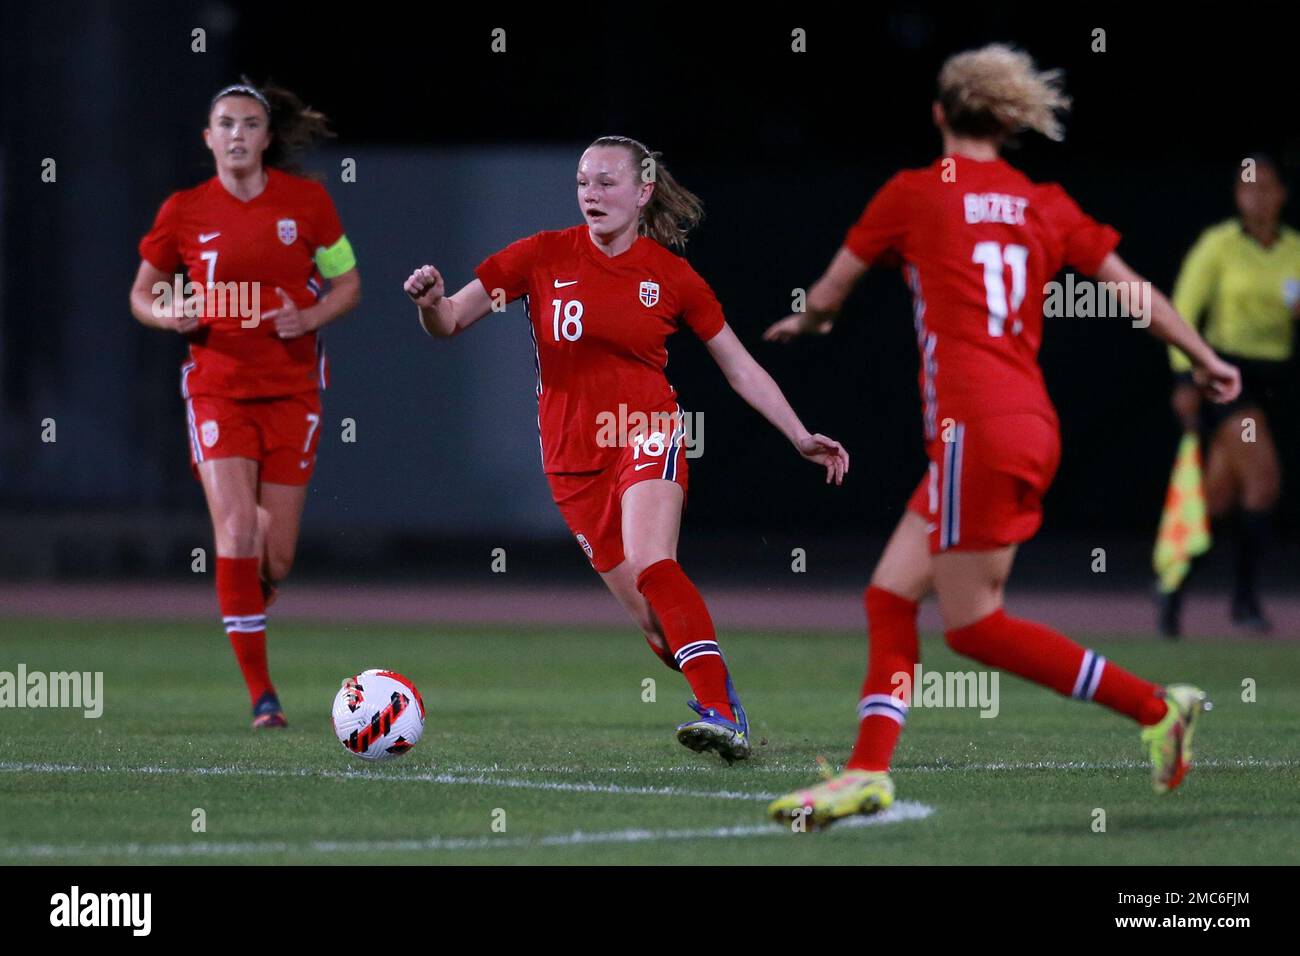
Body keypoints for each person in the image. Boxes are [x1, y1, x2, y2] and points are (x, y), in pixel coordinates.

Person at [762, 45, 1241, 827]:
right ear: (1009, 121)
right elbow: (1135, 294)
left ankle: (1158, 707)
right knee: (889, 595)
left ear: (941, 114)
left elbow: (832, 291)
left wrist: (806, 319)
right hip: (1023, 421)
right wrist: (1206, 356)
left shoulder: (916, 193)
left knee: (975, 625)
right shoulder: (1041, 202)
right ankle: (866, 773)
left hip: (973, 430)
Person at [403, 135, 848, 761]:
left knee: (652, 561)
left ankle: (720, 713)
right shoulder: (540, 256)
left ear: (642, 192)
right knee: (656, 627)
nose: (592, 193)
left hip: (648, 431)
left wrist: (798, 432)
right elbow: (449, 321)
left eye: (608, 182)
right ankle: (720, 692)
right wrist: (428, 304)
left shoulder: (671, 276)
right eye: (584, 181)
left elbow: (739, 366)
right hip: (570, 459)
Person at [130, 81, 361, 728]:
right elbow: (141, 295)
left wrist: (309, 313)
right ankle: (263, 696)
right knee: (235, 530)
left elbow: (349, 282)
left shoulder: (309, 204)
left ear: (266, 137)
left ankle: (243, 603)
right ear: (208, 138)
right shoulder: (183, 211)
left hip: (292, 391)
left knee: (274, 552)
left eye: (249, 124)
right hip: (217, 389)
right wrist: (167, 311)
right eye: (225, 124)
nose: (236, 134)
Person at [1159, 155, 1300, 636]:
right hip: (1228, 379)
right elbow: (1180, 310)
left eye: (1264, 186)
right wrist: (1184, 379)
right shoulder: (1219, 246)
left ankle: (1171, 588)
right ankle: (1244, 601)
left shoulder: (1295, 250)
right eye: (1246, 187)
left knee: (1216, 500)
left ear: (1281, 193)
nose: (1255, 196)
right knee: (1263, 481)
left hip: (1277, 381)